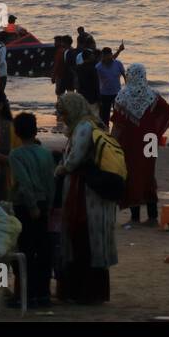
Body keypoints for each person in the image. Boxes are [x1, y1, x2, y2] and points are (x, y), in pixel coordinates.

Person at [54, 92, 118, 304]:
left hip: (84, 193)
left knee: (81, 236)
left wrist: (59, 169)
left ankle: (82, 292)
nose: (61, 117)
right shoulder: (94, 123)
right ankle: (91, 292)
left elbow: (73, 161)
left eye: (63, 113)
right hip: (93, 190)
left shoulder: (83, 128)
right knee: (90, 238)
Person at [112, 64, 169, 226]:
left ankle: (135, 216)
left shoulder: (122, 97)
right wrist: (156, 130)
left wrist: (113, 142)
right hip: (150, 141)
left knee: (132, 174)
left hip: (130, 142)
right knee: (148, 173)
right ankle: (152, 216)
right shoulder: (153, 95)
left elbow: (117, 125)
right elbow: (167, 111)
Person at [8, 112, 55, 308]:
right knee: (43, 250)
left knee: (24, 250)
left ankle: (26, 296)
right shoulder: (45, 153)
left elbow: (25, 183)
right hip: (45, 204)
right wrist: (48, 206)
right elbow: (51, 182)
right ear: (35, 131)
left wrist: (32, 206)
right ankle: (42, 294)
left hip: (26, 206)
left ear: (17, 133)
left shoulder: (16, 155)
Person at [94, 46, 127, 125]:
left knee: (118, 116)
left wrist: (127, 88)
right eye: (104, 56)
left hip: (117, 94)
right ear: (102, 56)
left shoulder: (118, 64)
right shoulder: (98, 67)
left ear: (111, 55)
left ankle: (116, 131)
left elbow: (124, 75)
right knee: (104, 117)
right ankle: (105, 131)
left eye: (108, 56)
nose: (105, 58)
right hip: (104, 94)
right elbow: (95, 82)